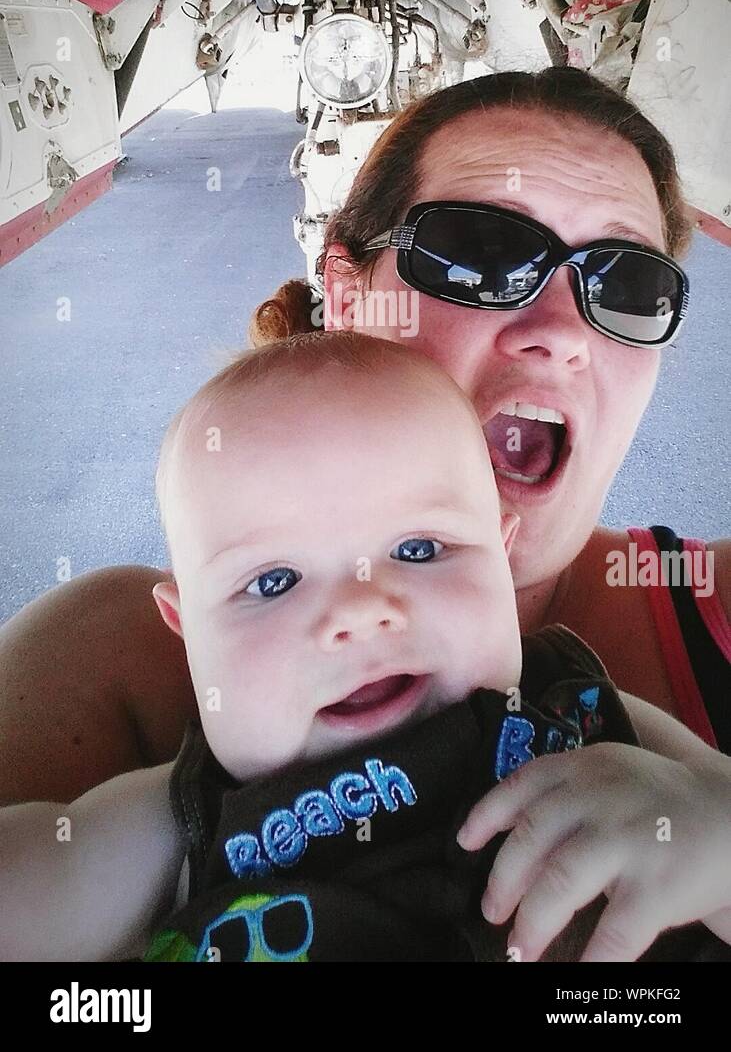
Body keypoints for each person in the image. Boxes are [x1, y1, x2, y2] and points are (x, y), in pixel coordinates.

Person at [0, 67, 729, 810]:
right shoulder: (99, 664)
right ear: (348, 293)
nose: (560, 333)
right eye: (477, 255)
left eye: (627, 284)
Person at [2, 333, 729, 963]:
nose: (359, 613)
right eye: (274, 580)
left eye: (418, 548)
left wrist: (706, 829)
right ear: (187, 630)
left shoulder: (581, 713)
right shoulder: (182, 822)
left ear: (500, 560)